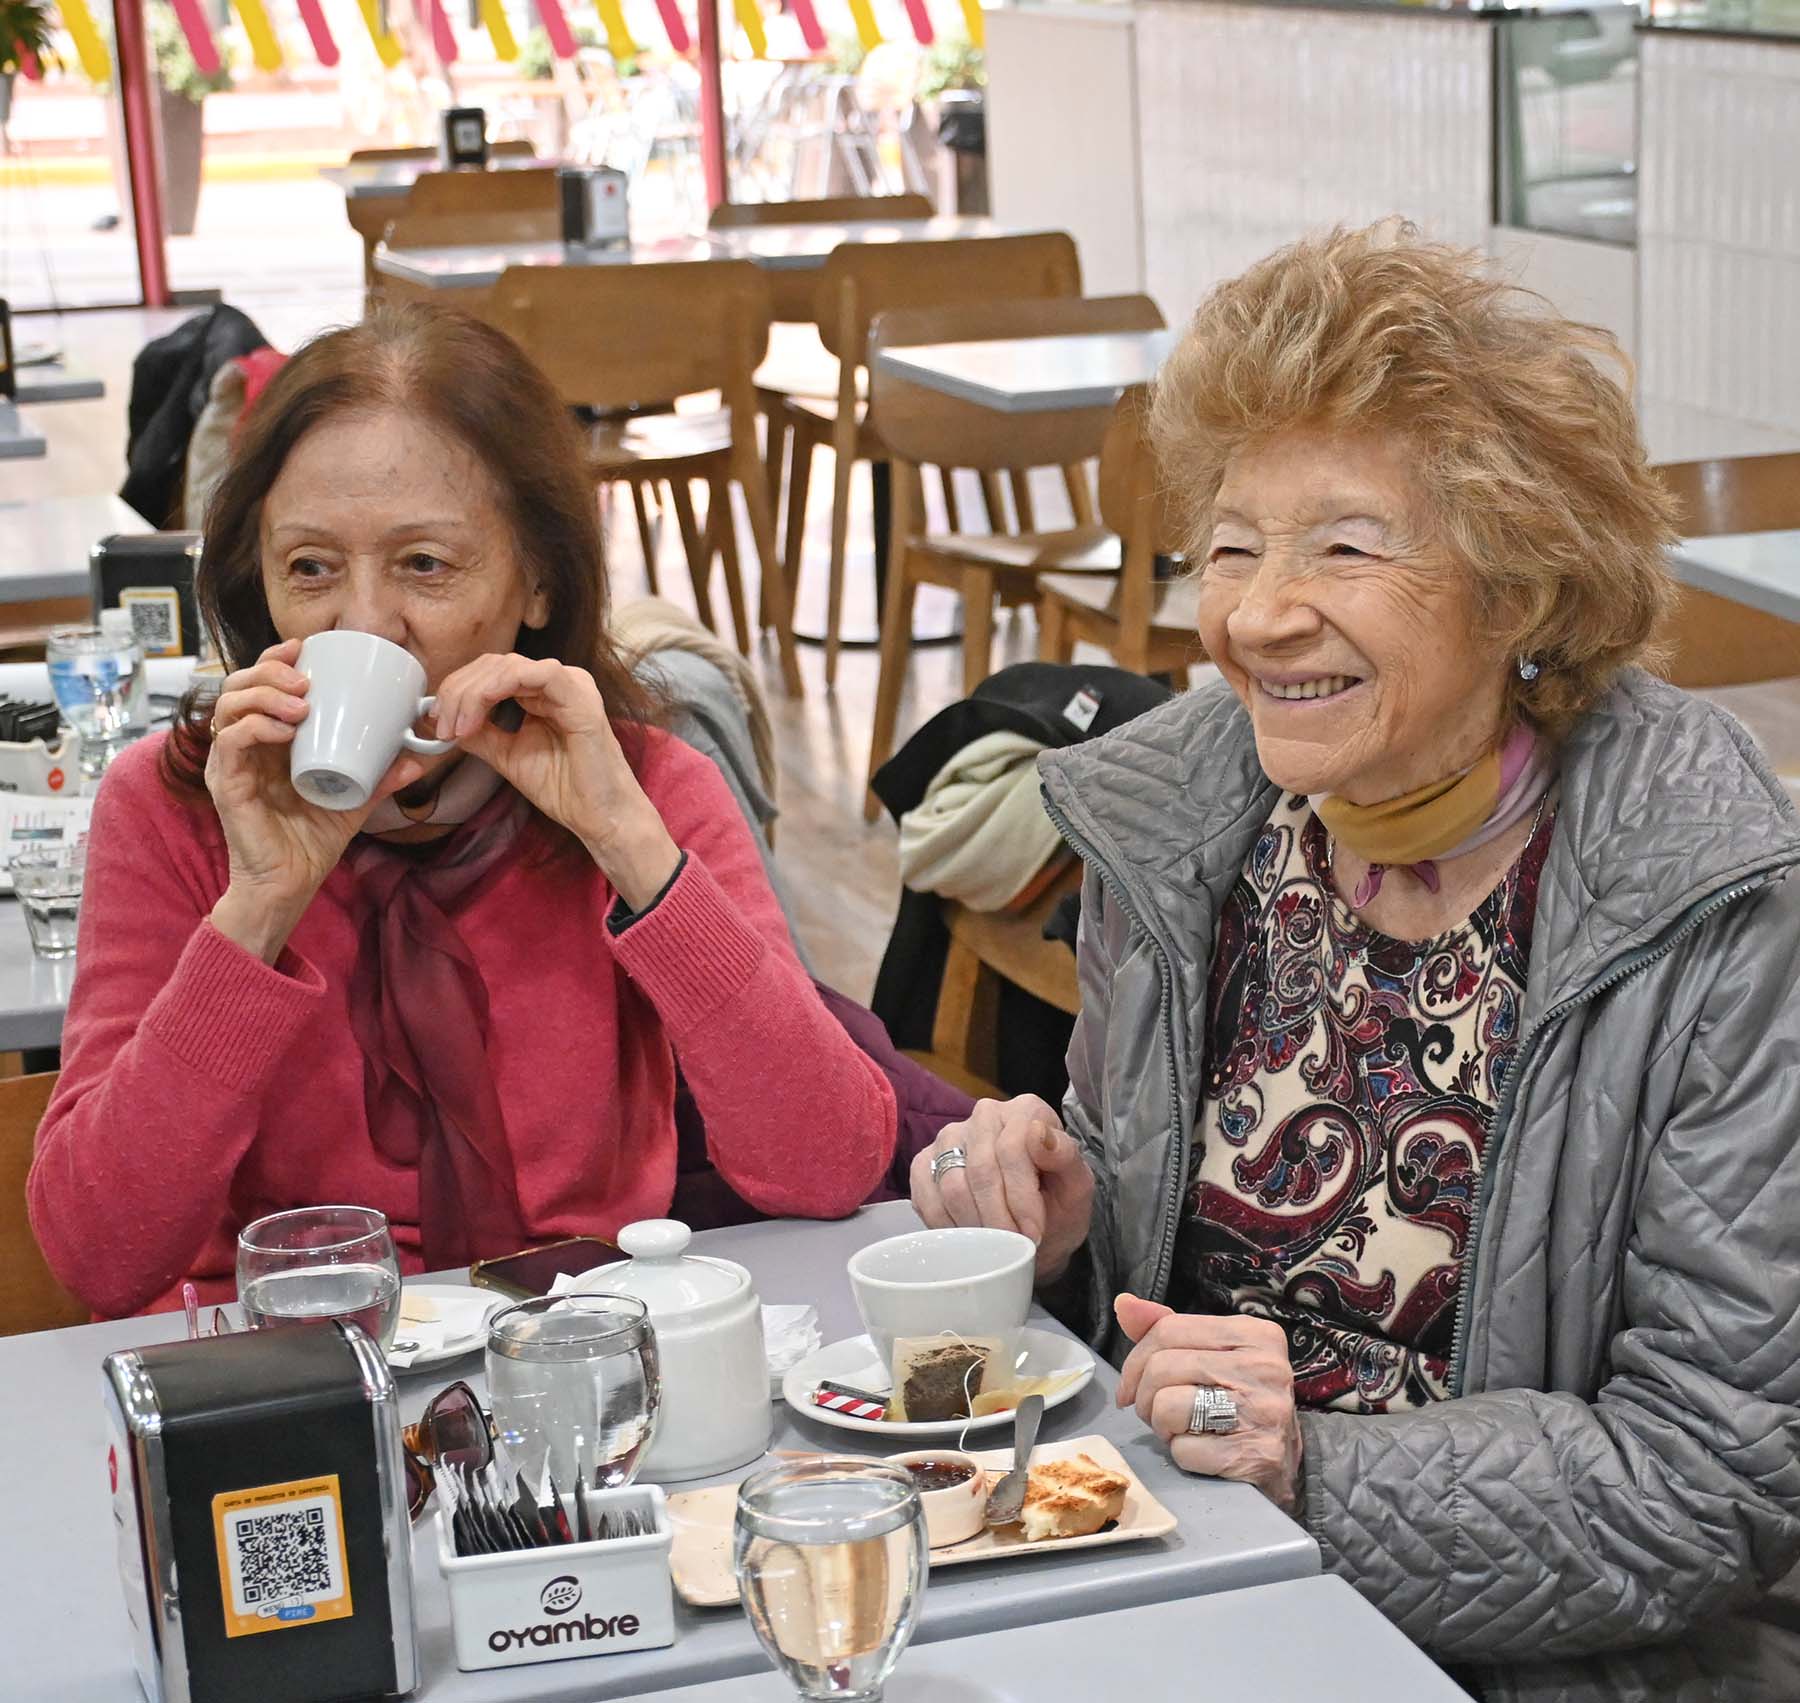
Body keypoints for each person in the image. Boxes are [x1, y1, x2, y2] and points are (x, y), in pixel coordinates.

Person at [910, 225, 1800, 1699]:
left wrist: (1316, 1468)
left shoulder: (1712, 902)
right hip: (1184, 1581)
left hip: (1547, 1660)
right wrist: (1060, 1228)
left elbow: (1717, 1470)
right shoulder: (1191, 829)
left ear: (1518, 586)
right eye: (1235, 544)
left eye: (1343, 544)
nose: (1260, 612)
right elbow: (1150, 1302)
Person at [29, 302, 897, 1319]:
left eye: (423, 565)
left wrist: (630, 847)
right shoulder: (175, 803)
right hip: (280, 1381)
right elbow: (99, 1255)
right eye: (309, 567)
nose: (362, 622)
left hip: (580, 1357)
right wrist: (258, 905)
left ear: (534, 578)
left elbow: (829, 1161)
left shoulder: (639, 787)